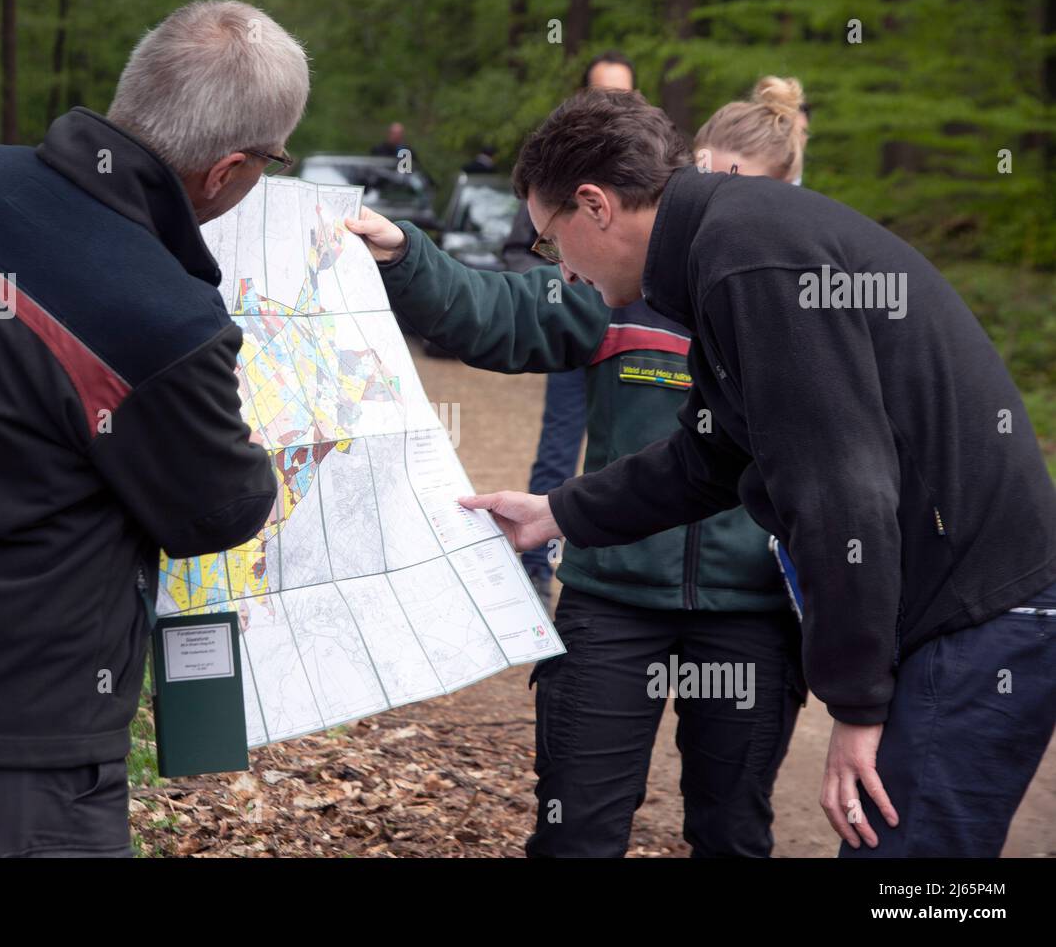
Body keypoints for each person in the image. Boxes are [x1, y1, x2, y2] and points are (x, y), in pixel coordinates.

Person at [453, 87, 1056, 858]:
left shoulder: (748, 257)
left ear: (595, 206)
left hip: (983, 610)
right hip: (963, 602)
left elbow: (842, 493)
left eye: (549, 243)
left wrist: (858, 706)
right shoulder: (723, 245)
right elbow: (711, 452)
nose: (561, 271)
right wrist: (559, 513)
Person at [0, 0, 308, 857]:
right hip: (24, 749)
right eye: (272, 162)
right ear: (226, 169)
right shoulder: (168, 319)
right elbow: (218, 513)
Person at [346, 77, 814, 858]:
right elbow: (500, 313)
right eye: (710, 179)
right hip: (613, 601)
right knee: (577, 830)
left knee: (732, 831)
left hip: (751, 612)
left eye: (748, 191)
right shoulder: (620, 282)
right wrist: (404, 256)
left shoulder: (797, 291)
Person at [510, 50, 637, 606]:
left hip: (632, 340)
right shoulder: (553, 167)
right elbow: (519, 251)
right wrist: (566, 285)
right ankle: (536, 566)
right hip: (575, 335)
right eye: (604, 93)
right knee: (560, 445)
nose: (615, 103)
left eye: (625, 95)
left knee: (635, 451)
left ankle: (617, 566)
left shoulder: (644, 171)